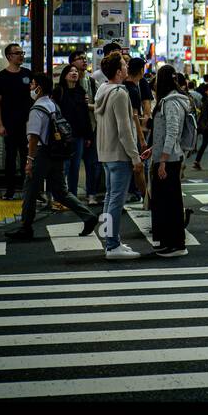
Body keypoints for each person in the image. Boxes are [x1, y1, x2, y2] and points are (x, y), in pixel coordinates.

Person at [4, 72, 99, 242]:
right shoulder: (53, 105)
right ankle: (89, 216)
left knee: (30, 191)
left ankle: (25, 228)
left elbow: (33, 138)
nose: (30, 87)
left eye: (32, 84)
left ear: (39, 88)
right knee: (61, 191)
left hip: (41, 154)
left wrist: (29, 161)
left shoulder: (37, 109)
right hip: (57, 153)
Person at [94, 51, 149, 260]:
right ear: (118, 71)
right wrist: (135, 158)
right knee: (116, 200)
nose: (127, 67)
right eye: (124, 65)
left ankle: (111, 240)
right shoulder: (119, 93)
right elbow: (125, 130)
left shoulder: (103, 89)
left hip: (105, 152)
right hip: (119, 153)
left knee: (110, 198)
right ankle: (112, 245)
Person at [148, 65, 193, 256]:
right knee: (164, 201)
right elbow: (164, 132)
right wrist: (153, 150)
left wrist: (163, 159)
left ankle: (176, 244)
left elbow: (172, 131)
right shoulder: (173, 100)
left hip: (169, 159)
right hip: (164, 156)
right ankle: (167, 240)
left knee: (169, 202)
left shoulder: (171, 102)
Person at [0, 42, 32, 200]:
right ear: (9, 56)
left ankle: (28, 190)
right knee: (10, 158)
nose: (21, 55)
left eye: (22, 53)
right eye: (18, 53)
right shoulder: (1, 77)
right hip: (9, 124)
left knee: (27, 157)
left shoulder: (28, 74)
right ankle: (10, 190)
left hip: (27, 124)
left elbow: (35, 97)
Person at [69, 50, 103, 203]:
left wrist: (86, 105)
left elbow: (99, 105)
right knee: (73, 165)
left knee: (92, 163)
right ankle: (72, 195)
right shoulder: (70, 82)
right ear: (72, 63)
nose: (84, 60)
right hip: (75, 130)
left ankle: (91, 194)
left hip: (92, 127)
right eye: (80, 58)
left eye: (85, 58)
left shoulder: (91, 81)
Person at [56, 63, 93, 200]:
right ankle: (59, 195)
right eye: (71, 71)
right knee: (64, 167)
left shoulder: (81, 92)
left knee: (75, 167)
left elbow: (85, 115)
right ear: (64, 75)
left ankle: (73, 196)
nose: (74, 73)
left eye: (76, 71)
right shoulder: (59, 91)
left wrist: (88, 135)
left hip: (79, 136)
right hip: (63, 136)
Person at [192, 82, 208, 169]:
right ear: (206, 91)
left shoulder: (205, 99)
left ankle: (197, 161)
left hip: (205, 125)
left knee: (205, 144)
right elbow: (207, 113)